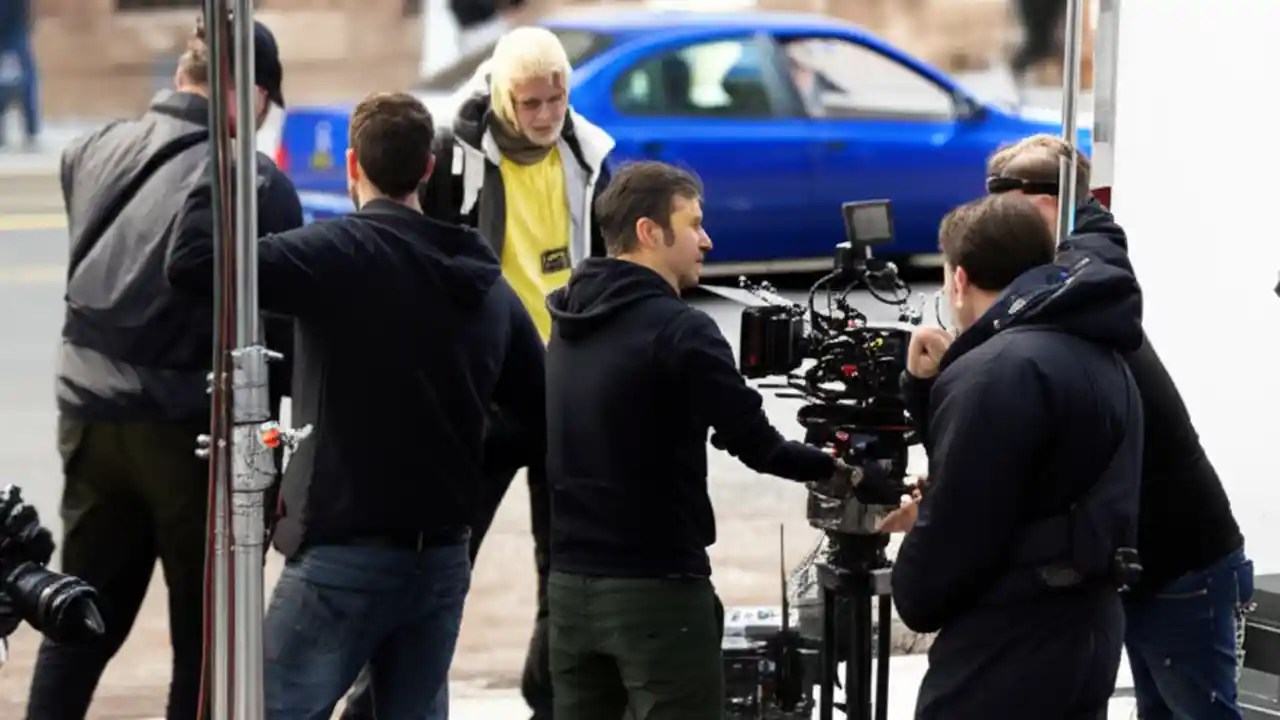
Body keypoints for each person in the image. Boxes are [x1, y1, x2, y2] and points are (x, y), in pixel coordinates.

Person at [167, 90, 547, 720]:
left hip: (344, 549)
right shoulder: (485, 284)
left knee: (265, 709)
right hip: (442, 556)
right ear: (428, 169)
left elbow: (194, 266)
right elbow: (540, 415)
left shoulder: (337, 256)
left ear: (351, 167)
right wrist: (461, 452)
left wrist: (223, 168)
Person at [25, 17, 298, 720]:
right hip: (189, 433)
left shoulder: (90, 149)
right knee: (205, 649)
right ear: (250, 94)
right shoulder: (248, 179)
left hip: (88, 419)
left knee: (78, 617)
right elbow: (283, 333)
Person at [341, 25, 617, 720]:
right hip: (485, 393)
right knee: (438, 558)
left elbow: (607, 264)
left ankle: (551, 699)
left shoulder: (590, 155)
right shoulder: (451, 154)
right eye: (532, 103)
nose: (548, 116)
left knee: (568, 566)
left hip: (565, 385)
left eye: (557, 99)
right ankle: (378, 702)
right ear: (502, 95)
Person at [542, 160, 860, 719]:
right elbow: (759, 445)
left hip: (569, 593)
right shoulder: (681, 330)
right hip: (656, 593)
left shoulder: (568, 320)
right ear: (648, 232)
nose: (707, 240)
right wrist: (843, 471)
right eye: (693, 224)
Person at [985, 133, 1254, 719]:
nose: (997, 225)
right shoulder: (1075, 289)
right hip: (1144, 567)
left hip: (1184, 565)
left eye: (1007, 208)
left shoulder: (1079, 297)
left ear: (1050, 204)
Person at [884, 192, 1145, 718]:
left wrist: (910, 585)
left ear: (958, 280)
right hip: (1084, 628)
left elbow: (955, 530)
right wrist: (926, 387)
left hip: (1008, 645)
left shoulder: (997, 370)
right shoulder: (1095, 345)